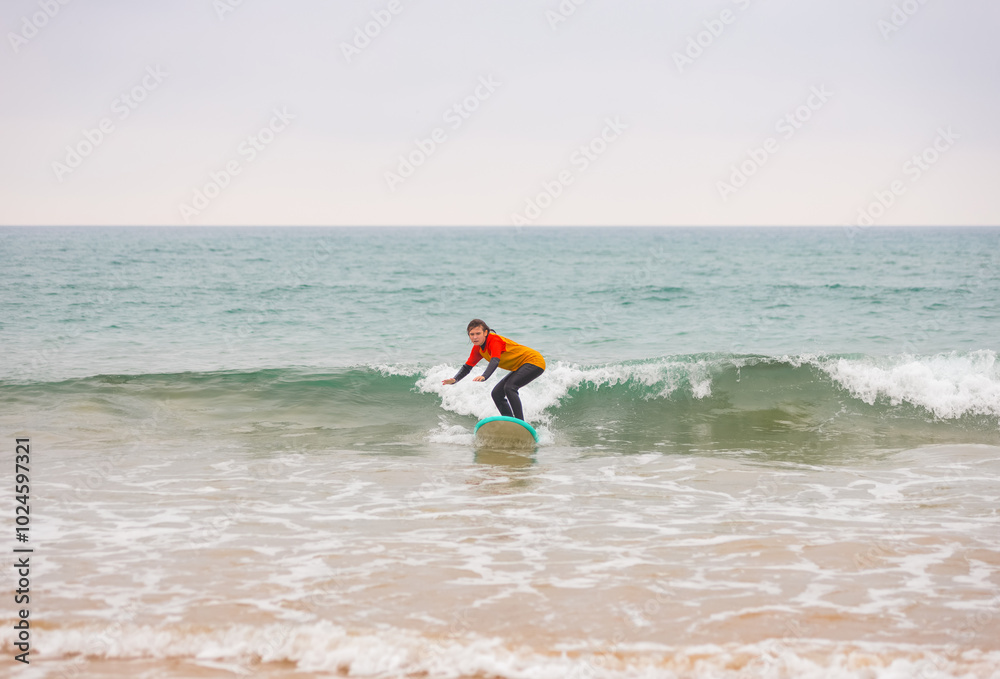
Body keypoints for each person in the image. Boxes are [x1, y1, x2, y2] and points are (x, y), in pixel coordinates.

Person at [441, 319, 545, 421]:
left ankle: (520, 423)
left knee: (510, 387)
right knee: (496, 393)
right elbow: (467, 367)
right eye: (472, 334)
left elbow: (495, 360)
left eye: (478, 333)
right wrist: (455, 379)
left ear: (485, 332)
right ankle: (510, 422)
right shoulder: (478, 348)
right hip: (522, 365)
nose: (475, 337)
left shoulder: (494, 340)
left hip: (534, 361)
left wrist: (484, 376)